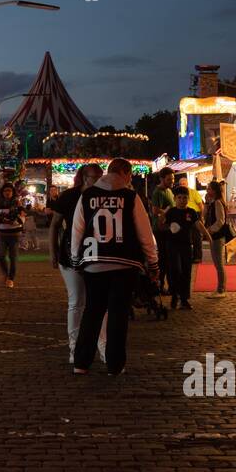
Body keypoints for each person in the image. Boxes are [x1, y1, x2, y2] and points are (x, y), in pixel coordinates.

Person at [70, 158, 159, 376]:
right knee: (118, 315)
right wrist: (153, 262)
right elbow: (145, 233)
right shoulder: (130, 197)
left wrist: (75, 259)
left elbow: (77, 230)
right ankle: (114, 364)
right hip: (123, 262)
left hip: (94, 262)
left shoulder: (87, 195)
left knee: (93, 312)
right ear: (125, 173)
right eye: (130, 176)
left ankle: (81, 362)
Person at [49, 163, 107, 364]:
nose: (99, 180)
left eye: (101, 176)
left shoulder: (104, 196)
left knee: (99, 302)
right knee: (76, 301)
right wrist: (53, 252)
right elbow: (55, 225)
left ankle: (103, 347)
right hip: (70, 253)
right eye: (95, 177)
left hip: (97, 254)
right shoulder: (69, 197)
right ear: (84, 177)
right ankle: (74, 347)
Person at [164, 186, 209, 310]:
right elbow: (161, 225)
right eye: (179, 198)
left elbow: (198, 224)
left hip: (186, 245)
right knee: (175, 271)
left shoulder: (191, 212)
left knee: (186, 272)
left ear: (188, 199)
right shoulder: (171, 212)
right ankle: (174, 296)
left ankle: (184, 299)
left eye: (185, 198)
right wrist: (166, 222)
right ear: (175, 198)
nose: (182, 200)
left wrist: (208, 236)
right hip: (172, 245)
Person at [0, 182, 25, 288]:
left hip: (14, 234)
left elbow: (22, 217)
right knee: (0, 255)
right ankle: (5, 273)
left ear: (13, 192)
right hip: (2, 234)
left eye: (9, 190)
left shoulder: (17, 204)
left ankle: (10, 278)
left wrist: (15, 221)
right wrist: (0, 220)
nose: (7, 193)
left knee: (13, 257)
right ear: (2, 192)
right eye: (5, 191)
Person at [204, 180, 230, 296]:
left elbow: (220, 221)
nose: (207, 191)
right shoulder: (213, 202)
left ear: (214, 191)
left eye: (209, 189)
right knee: (217, 262)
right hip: (214, 235)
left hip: (217, 236)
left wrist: (209, 230)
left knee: (219, 263)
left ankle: (221, 289)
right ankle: (220, 288)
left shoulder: (218, 203)